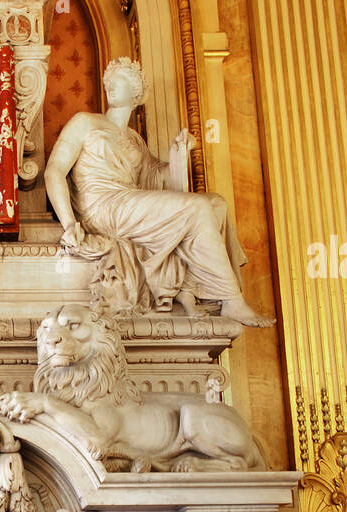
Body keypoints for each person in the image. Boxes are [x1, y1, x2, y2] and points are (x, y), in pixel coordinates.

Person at [44, 58, 272, 325]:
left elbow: (158, 182)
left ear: (136, 91)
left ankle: (190, 290)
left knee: (215, 204)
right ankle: (230, 299)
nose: (110, 86)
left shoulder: (135, 141)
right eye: (109, 81)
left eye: (119, 80)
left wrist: (178, 155)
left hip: (128, 201)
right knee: (196, 207)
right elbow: (54, 171)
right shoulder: (85, 122)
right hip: (102, 205)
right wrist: (70, 223)